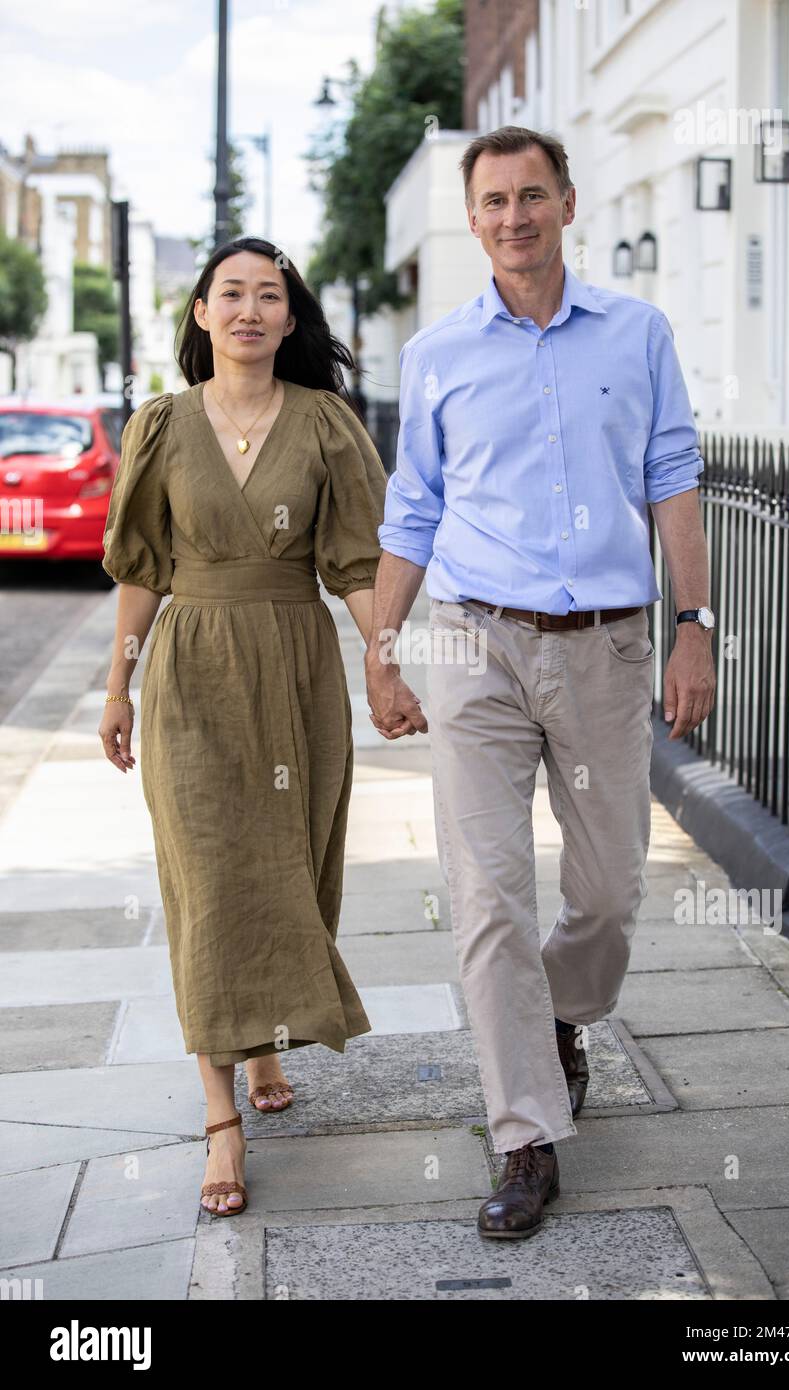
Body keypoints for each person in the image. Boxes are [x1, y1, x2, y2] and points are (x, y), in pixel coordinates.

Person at [365, 127, 716, 1239]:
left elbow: (673, 486)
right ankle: (524, 1131)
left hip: (608, 646)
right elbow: (411, 512)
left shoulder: (638, 332)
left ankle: (564, 1010)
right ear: (470, 219)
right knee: (486, 893)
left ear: (567, 202)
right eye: (492, 202)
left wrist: (695, 627)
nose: (513, 217)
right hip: (475, 642)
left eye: (531, 196)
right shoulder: (437, 355)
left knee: (610, 890)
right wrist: (384, 647)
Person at [98, 236, 388, 1217]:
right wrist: (115, 688)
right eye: (232, 293)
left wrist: (385, 665)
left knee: (292, 863)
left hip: (299, 665)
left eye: (271, 296)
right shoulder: (162, 425)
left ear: (292, 319)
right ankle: (221, 1114)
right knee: (211, 875)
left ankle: (265, 1031)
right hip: (191, 670)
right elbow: (141, 568)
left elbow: (355, 565)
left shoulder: (326, 423)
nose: (251, 310)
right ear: (200, 312)